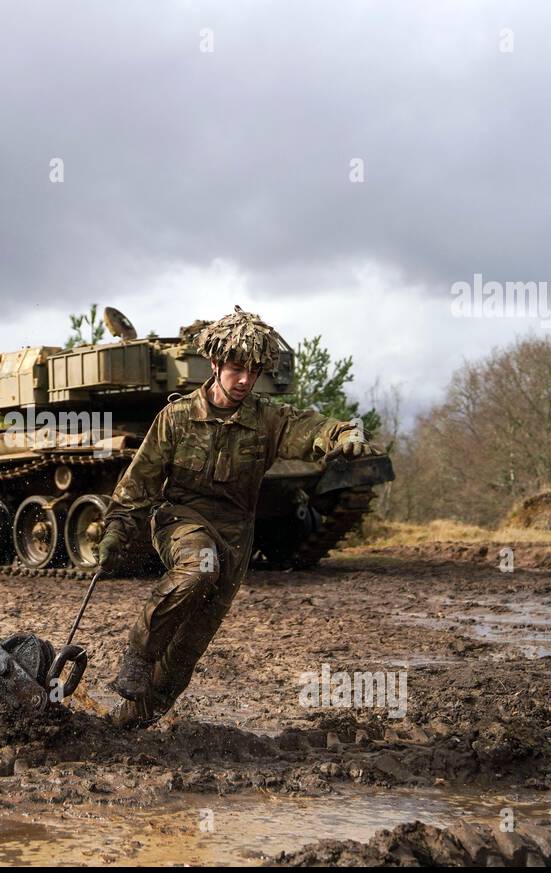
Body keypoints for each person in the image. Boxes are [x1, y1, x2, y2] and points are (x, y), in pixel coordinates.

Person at [97, 306, 376, 728]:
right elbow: (139, 483)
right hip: (182, 520)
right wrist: (117, 530)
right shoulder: (175, 418)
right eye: (236, 369)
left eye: (253, 371)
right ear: (214, 364)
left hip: (236, 538)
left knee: (184, 656)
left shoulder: (266, 419)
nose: (245, 380)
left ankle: (124, 726)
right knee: (197, 568)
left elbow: (314, 428)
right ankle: (138, 653)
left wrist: (345, 434)